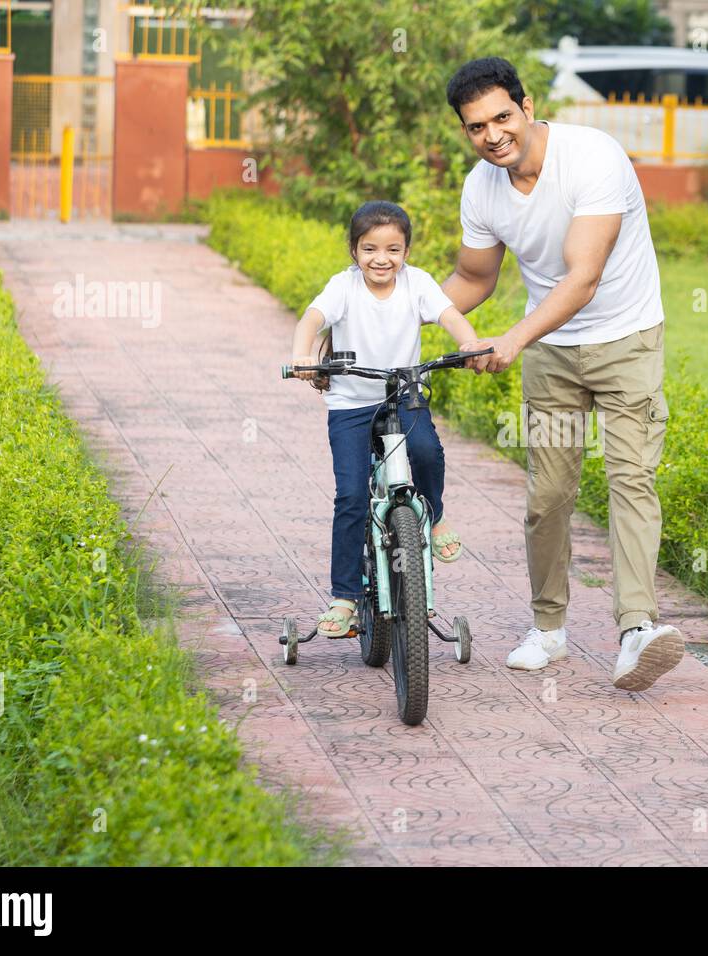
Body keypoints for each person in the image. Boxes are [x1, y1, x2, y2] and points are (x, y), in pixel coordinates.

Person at [443, 57, 684, 692]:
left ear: (526, 105)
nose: (493, 135)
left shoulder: (593, 157)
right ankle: (548, 629)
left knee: (631, 478)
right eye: (476, 127)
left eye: (502, 117)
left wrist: (513, 338)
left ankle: (637, 630)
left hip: (626, 339)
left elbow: (583, 277)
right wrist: (394, 315)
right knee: (548, 496)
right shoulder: (481, 189)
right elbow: (474, 278)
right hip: (553, 354)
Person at [291, 200, 480, 637]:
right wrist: (303, 354)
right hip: (351, 403)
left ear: (407, 251)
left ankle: (432, 516)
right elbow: (313, 318)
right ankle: (344, 598)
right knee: (352, 496)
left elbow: (449, 314)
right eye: (370, 248)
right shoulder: (344, 286)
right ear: (355, 251)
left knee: (427, 451)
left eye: (393, 249)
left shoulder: (419, 284)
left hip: (402, 394)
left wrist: (468, 343)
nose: (382, 258)